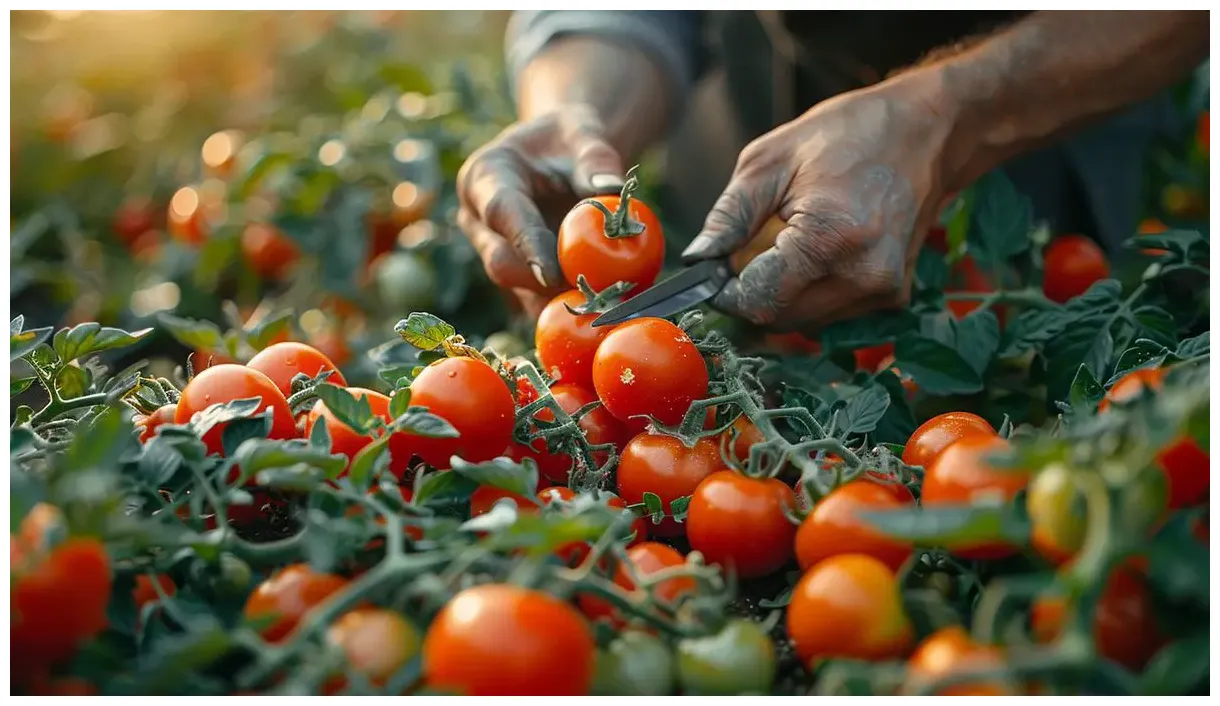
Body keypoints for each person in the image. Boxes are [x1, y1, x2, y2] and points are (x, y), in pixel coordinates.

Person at [457, 11, 1208, 332]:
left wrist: (946, 116)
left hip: (1054, 125)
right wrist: (580, 111)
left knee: (1028, 328)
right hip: (751, 98)